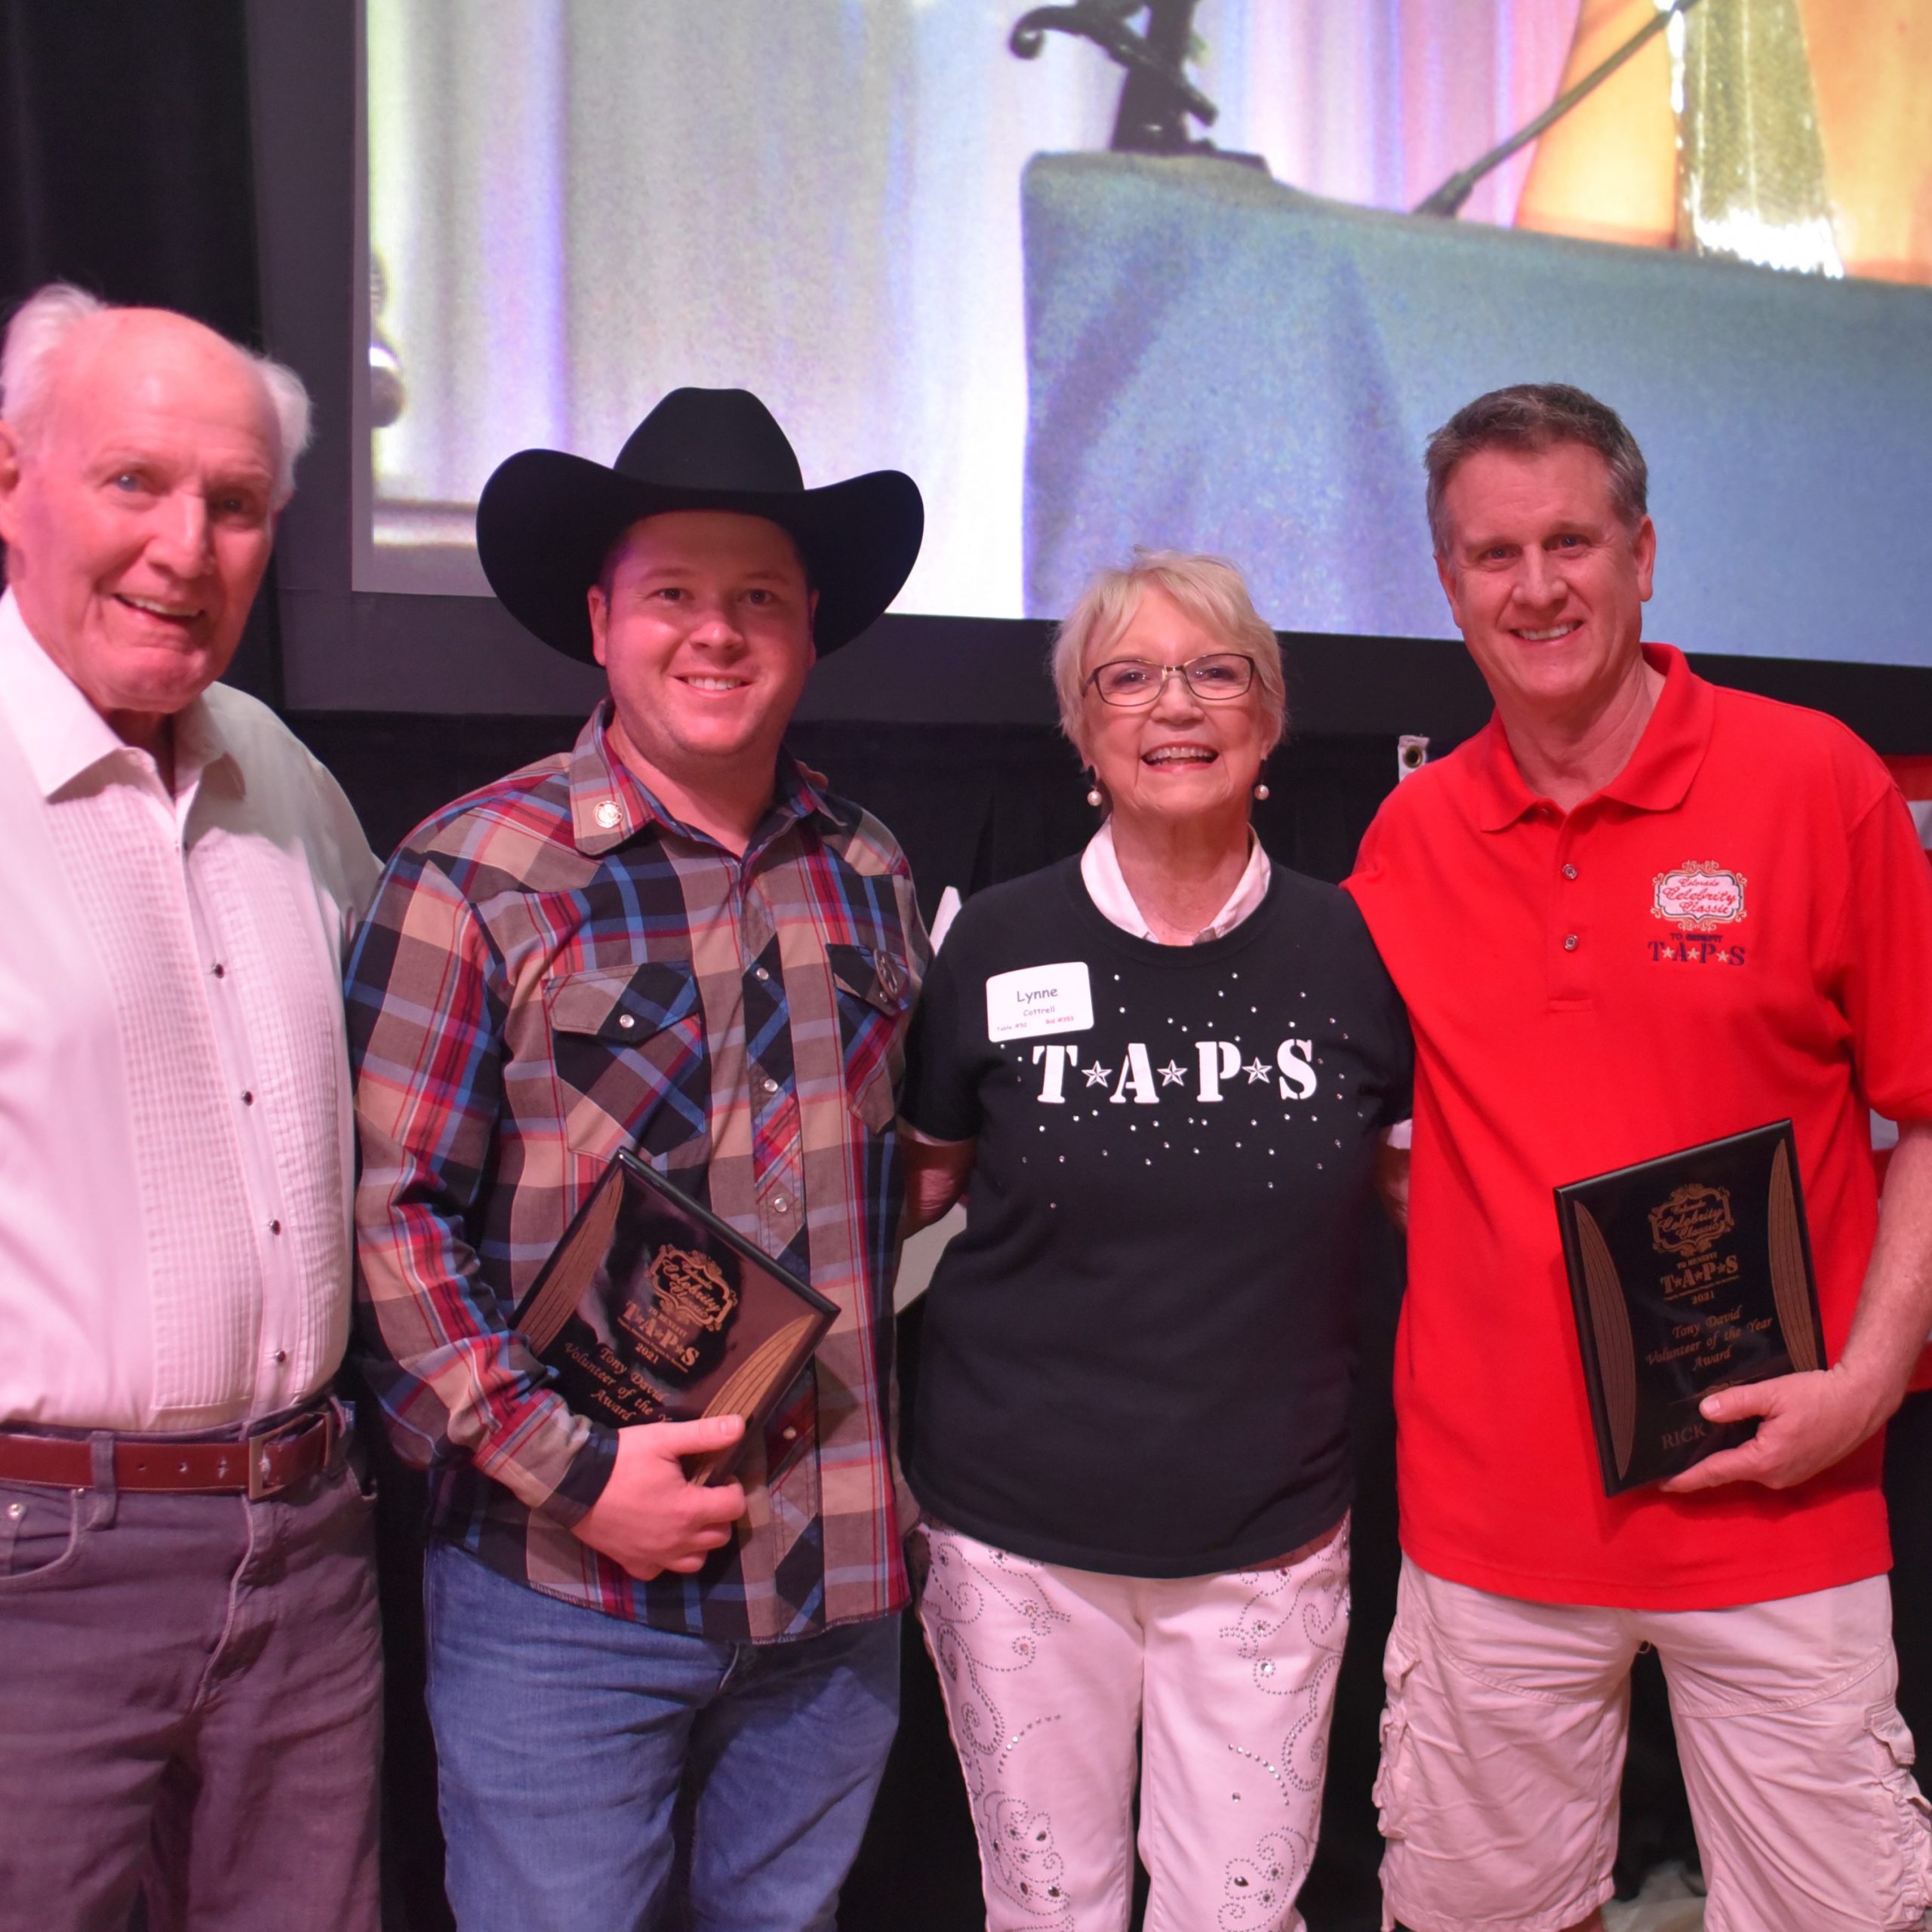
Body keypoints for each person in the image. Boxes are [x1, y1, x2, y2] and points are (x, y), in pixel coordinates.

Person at [1347, 381, 1932, 1932]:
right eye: (1490, 553)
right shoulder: (1405, 839)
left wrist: (1869, 1378)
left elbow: (1929, 1105)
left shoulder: (1814, 782)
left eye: (1568, 541)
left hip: (1778, 1495)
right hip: (1488, 1527)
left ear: (1643, 550)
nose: (1533, 585)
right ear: (1445, 577)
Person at [346, 387, 927, 1932]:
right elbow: (385, 1222)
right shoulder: (476, 870)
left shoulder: (869, 869)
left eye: (756, 598)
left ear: (809, 627)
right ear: (601, 621)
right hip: (564, 1595)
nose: (715, 632)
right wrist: (579, 1472)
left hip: (829, 1586)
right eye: (673, 593)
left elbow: (891, 1194)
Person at [897, 551, 1412, 1932]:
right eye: (1128, 677)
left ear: (1271, 714)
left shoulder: (1354, 948)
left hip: (1265, 1542)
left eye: (1214, 670)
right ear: (1081, 727)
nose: (1172, 706)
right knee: (1047, 1911)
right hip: (1017, 1539)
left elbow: (1421, 1200)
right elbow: (922, 1187)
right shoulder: (997, 945)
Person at [0, 285, 382, 1929]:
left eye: (234, 505)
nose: (186, 545)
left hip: (306, 1550)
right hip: (35, 1574)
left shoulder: (285, 778)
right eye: (134, 483)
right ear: (13, 477)